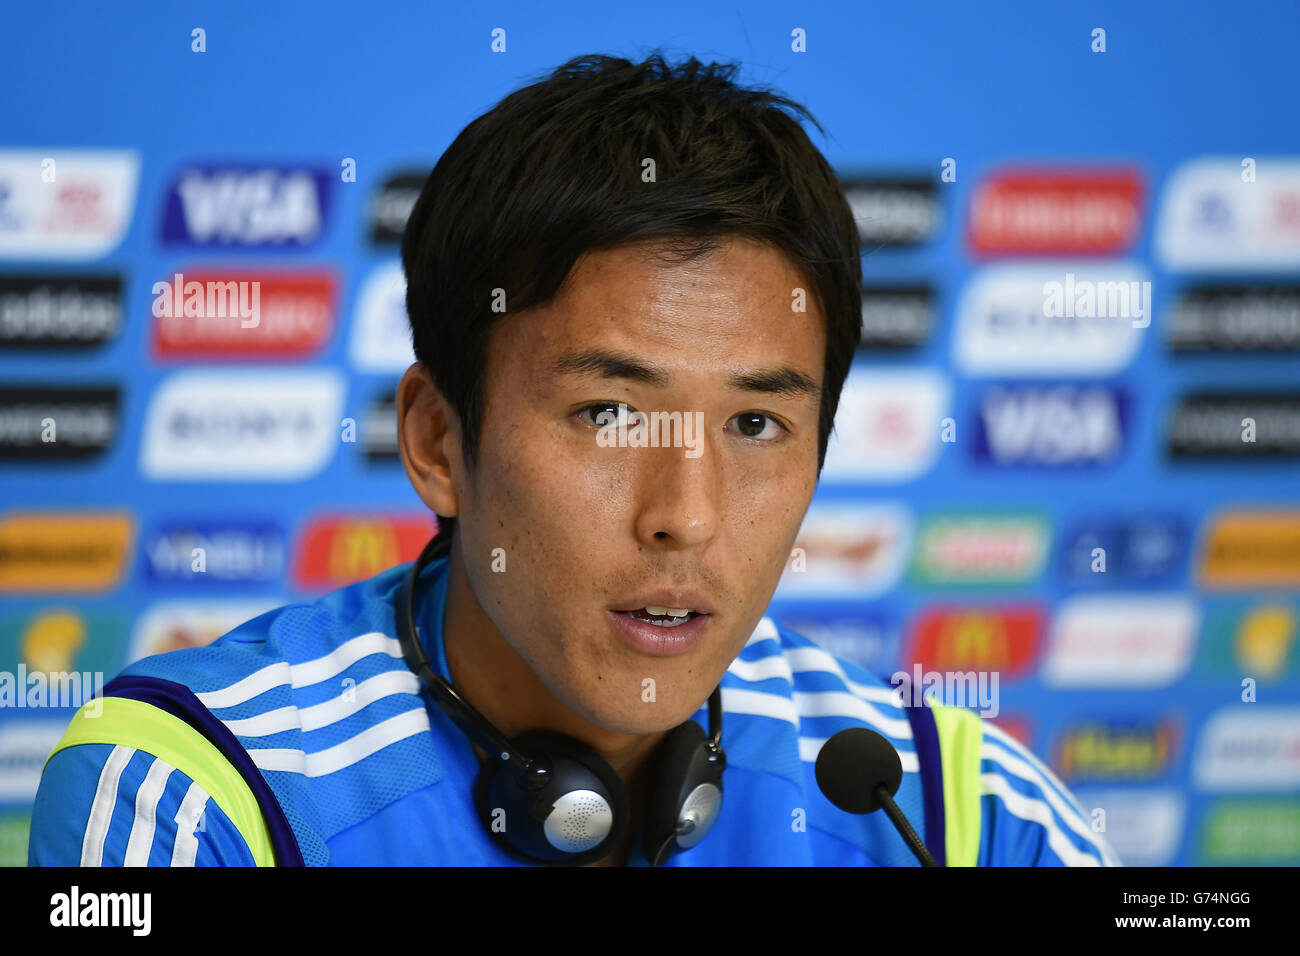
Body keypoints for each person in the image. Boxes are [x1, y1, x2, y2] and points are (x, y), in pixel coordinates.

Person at [27, 52, 1118, 867]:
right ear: (438, 441)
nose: (684, 514)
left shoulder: (951, 810)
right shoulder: (196, 796)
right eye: (607, 412)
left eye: (753, 425)